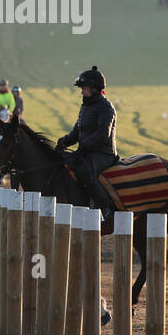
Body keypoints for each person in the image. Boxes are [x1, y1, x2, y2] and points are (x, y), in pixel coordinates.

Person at [57, 65, 118, 221]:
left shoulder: (106, 107)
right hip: (87, 151)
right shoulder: (85, 107)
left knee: (83, 172)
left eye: (84, 87)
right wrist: (63, 142)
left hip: (104, 154)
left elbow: (103, 134)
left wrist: (85, 146)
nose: (82, 91)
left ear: (95, 89)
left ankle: (106, 209)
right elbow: (76, 132)